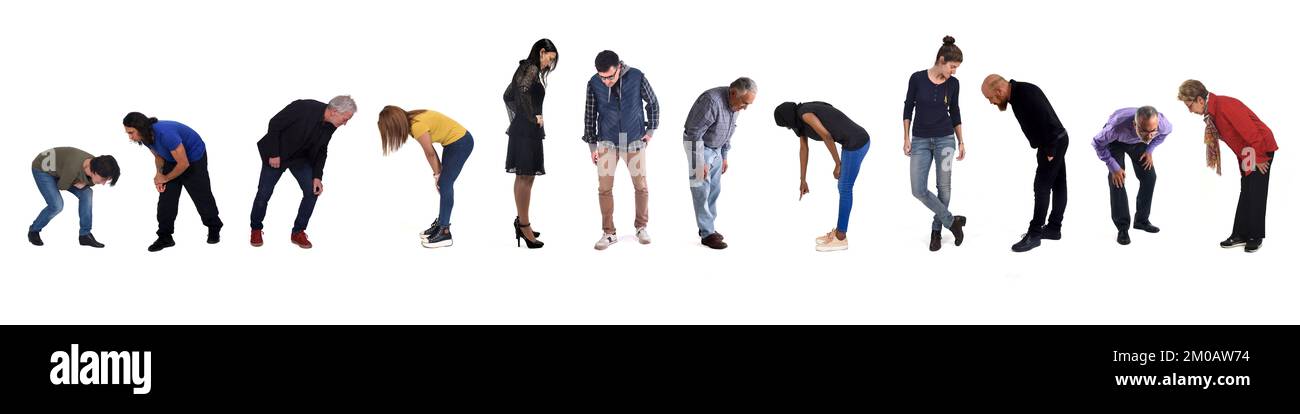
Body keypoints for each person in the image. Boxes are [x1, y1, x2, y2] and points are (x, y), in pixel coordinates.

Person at [1177, 80, 1278, 253]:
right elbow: (1236, 138)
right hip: (1247, 151)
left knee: (1256, 191)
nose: (1189, 110)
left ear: (1200, 100)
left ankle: (1254, 236)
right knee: (1246, 189)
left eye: (1189, 105)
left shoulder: (1225, 106)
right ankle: (1240, 234)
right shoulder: (1212, 113)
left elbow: (1251, 132)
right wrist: (1243, 161)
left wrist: (1260, 157)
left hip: (1259, 147)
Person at [250, 95, 356, 249]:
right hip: (278, 154)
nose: (345, 123)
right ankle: (256, 228)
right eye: (345, 119)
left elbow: (321, 150)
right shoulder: (303, 107)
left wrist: (317, 177)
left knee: (312, 192)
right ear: (334, 111)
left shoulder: (331, 125)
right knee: (264, 193)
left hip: (300, 159)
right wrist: (274, 153)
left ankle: (298, 231)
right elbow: (274, 124)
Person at [981, 75, 1069, 253]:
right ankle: (1053, 229)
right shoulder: (1018, 93)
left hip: (1052, 143)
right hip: (1056, 140)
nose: (991, 102)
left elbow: (1045, 117)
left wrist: (1050, 150)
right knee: (1058, 184)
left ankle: (1035, 234)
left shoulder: (1024, 94)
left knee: (1041, 187)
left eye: (990, 98)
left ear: (999, 91)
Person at [583, 50, 660, 250]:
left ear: (619, 68)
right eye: (602, 77)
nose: (606, 81)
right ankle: (609, 232)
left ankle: (641, 226)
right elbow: (589, 115)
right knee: (604, 188)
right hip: (607, 142)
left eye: (610, 76)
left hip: (633, 139)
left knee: (640, 185)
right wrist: (592, 146)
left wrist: (650, 130)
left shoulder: (636, 76)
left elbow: (652, 102)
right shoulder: (593, 83)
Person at [774, 101, 872, 252]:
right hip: (851, 142)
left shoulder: (805, 114)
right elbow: (803, 148)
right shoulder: (800, 119)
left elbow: (826, 135)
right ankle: (840, 230)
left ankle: (840, 237)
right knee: (843, 187)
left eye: (786, 125)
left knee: (845, 187)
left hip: (856, 142)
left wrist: (838, 164)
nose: (788, 128)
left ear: (788, 118)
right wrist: (803, 179)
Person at [902, 36, 968, 252]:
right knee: (918, 189)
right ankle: (952, 222)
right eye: (953, 66)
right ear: (941, 60)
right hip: (920, 140)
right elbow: (908, 108)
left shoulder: (953, 84)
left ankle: (936, 231)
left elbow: (955, 112)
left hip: (946, 141)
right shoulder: (917, 78)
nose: (954, 71)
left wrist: (961, 141)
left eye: (956, 67)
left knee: (945, 189)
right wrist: (906, 137)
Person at [123, 112, 223, 252]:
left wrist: (166, 177)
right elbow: (158, 155)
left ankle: (214, 226)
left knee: (201, 195)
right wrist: (159, 174)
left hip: (193, 158)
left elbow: (183, 163)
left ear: (140, 127)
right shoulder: (145, 137)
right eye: (128, 133)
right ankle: (165, 237)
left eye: (131, 132)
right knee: (166, 200)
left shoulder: (166, 134)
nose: (130, 137)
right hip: (171, 158)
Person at [378, 106, 475, 249]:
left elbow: (429, 153)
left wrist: (437, 175)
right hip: (452, 143)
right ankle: (441, 223)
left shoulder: (416, 126)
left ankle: (444, 231)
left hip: (461, 143)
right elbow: (431, 150)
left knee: (446, 184)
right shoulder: (412, 118)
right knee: (444, 183)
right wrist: (438, 174)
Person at [682, 77, 757, 250]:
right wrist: (700, 162)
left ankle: (710, 229)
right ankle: (707, 234)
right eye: (744, 103)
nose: (744, 108)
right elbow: (693, 134)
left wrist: (724, 155)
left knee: (714, 189)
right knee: (701, 189)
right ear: (733, 93)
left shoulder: (735, 103)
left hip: (716, 148)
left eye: (748, 105)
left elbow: (730, 129)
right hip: (698, 146)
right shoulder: (711, 102)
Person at [1090, 106, 1171, 245]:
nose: (1150, 135)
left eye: (1153, 131)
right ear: (1135, 124)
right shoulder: (1115, 128)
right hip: (1115, 142)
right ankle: (1122, 228)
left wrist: (1150, 149)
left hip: (1138, 142)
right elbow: (1097, 143)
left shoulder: (1161, 124)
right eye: (1146, 130)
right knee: (1118, 180)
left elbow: (1164, 133)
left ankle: (1141, 221)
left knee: (1149, 177)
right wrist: (1113, 166)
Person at [504, 39, 557, 249]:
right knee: (525, 177)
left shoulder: (525, 68)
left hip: (524, 130)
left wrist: (524, 118)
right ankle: (524, 226)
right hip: (526, 131)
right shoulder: (531, 68)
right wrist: (532, 117)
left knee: (526, 176)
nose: (549, 65)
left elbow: (509, 95)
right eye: (550, 59)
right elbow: (520, 92)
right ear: (542, 52)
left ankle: (521, 220)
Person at [29, 147, 120, 248]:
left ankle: (85, 235)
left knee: (87, 193)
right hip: (42, 169)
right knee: (57, 205)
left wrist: (84, 182)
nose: (103, 183)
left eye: (106, 180)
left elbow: (87, 182)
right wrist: (79, 182)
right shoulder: (73, 168)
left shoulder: (97, 164)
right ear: (94, 171)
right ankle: (34, 230)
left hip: (62, 170)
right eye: (103, 179)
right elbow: (61, 186)